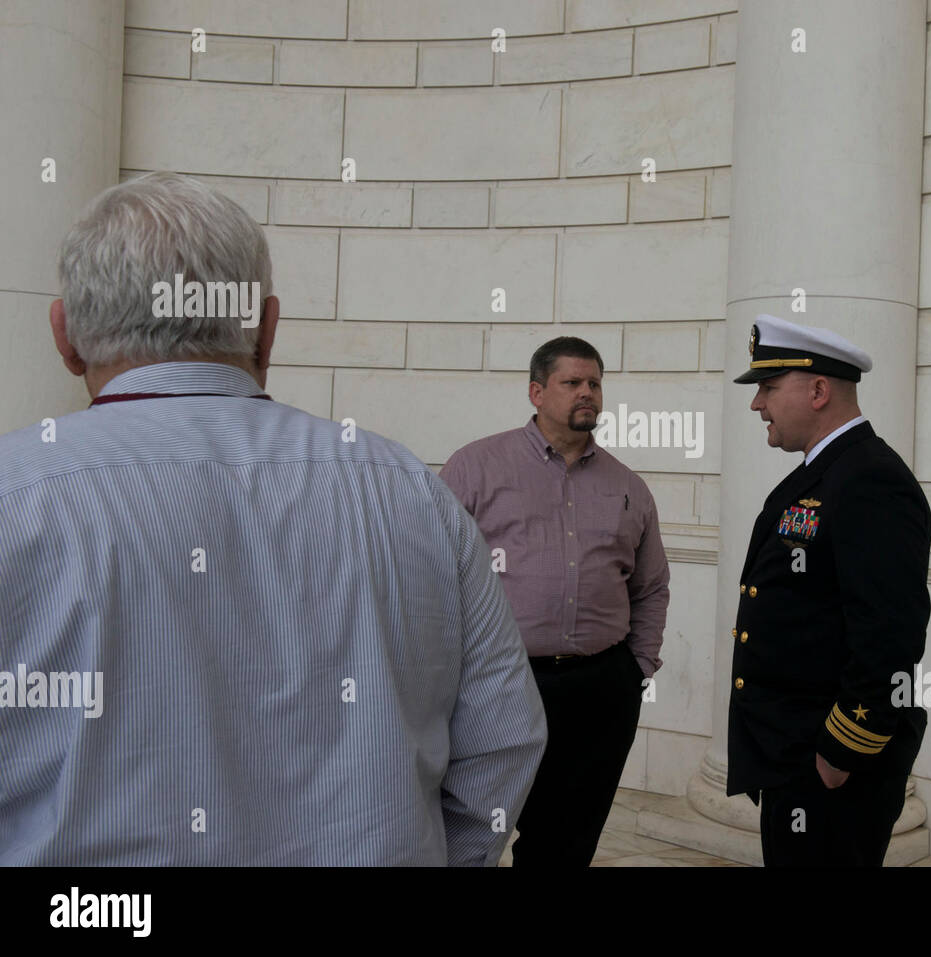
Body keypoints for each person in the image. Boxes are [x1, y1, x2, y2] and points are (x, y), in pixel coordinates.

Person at [0, 172, 546, 865]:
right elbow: (502, 742)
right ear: (266, 327)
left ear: (65, 335)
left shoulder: (15, 494)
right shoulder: (410, 490)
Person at [440, 337, 670, 867]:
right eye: (572, 383)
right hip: (500, 685)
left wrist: (637, 668)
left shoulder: (627, 486)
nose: (586, 393)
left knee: (567, 841)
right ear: (536, 391)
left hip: (600, 693)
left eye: (594, 383)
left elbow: (651, 586)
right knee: (468, 834)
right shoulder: (475, 468)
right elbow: (431, 574)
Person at [726, 313, 931, 867]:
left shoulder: (870, 479)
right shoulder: (828, 471)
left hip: (831, 761)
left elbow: (890, 630)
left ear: (818, 390)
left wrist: (842, 750)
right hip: (797, 749)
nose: (757, 404)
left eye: (768, 388)